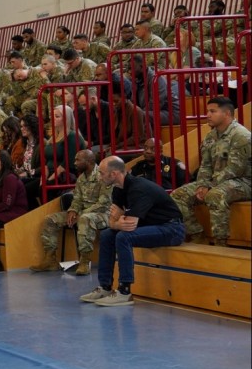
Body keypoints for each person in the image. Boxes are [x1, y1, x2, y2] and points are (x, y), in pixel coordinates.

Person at [80, 157, 186, 307]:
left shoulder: (139, 189)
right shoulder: (118, 189)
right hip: (151, 226)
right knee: (107, 235)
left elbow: (129, 225)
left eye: (102, 173)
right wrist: (117, 222)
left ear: (113, 174)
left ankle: (124, 291)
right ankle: (105, 287)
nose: (99, 177)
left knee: (124, 237)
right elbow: (112, 221)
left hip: (172, 229)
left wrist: (119, 220)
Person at [170, 97, 251, 246]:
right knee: (178, 195)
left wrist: (210, 185)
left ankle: (221, 244)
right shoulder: (210, 136)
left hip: (243, 182)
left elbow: (235, 169)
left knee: (215, 195)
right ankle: (198, 237)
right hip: (216, 181)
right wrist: (202, 184)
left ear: (227, 113)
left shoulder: (241, 135)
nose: (207, 115)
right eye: (207, 111)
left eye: (212, 111)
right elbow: (205, 165)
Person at [31, 150, 112, 275]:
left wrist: (81, 214)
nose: (74, 163)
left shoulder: (103, 175)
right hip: (82, 213)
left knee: (85, 219)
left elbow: (103, 204)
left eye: (78, 160)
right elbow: (77, 198)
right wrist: (73, 210)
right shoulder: (81, 178)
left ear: (89, 161)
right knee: (50, 220)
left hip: (102, 214)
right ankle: (50, 260)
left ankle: (84, 262)